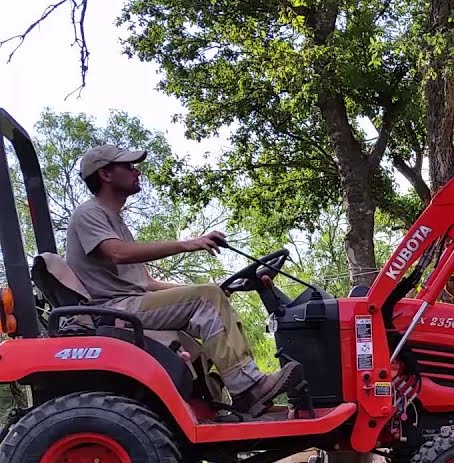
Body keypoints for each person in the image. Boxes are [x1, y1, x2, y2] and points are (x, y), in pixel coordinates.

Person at [64, 144, 302, 415]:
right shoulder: (89, 214)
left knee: (210, 297)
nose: (137, 171)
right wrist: (187, 244)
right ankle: (249, 389)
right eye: (128, 167)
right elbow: (116, 253)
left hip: (132, 303)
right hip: (115, 309)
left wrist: (216, 290)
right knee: (206, 299)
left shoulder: (115, 221)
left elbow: (149, 283)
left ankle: (228, 403)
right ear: (105, 174)